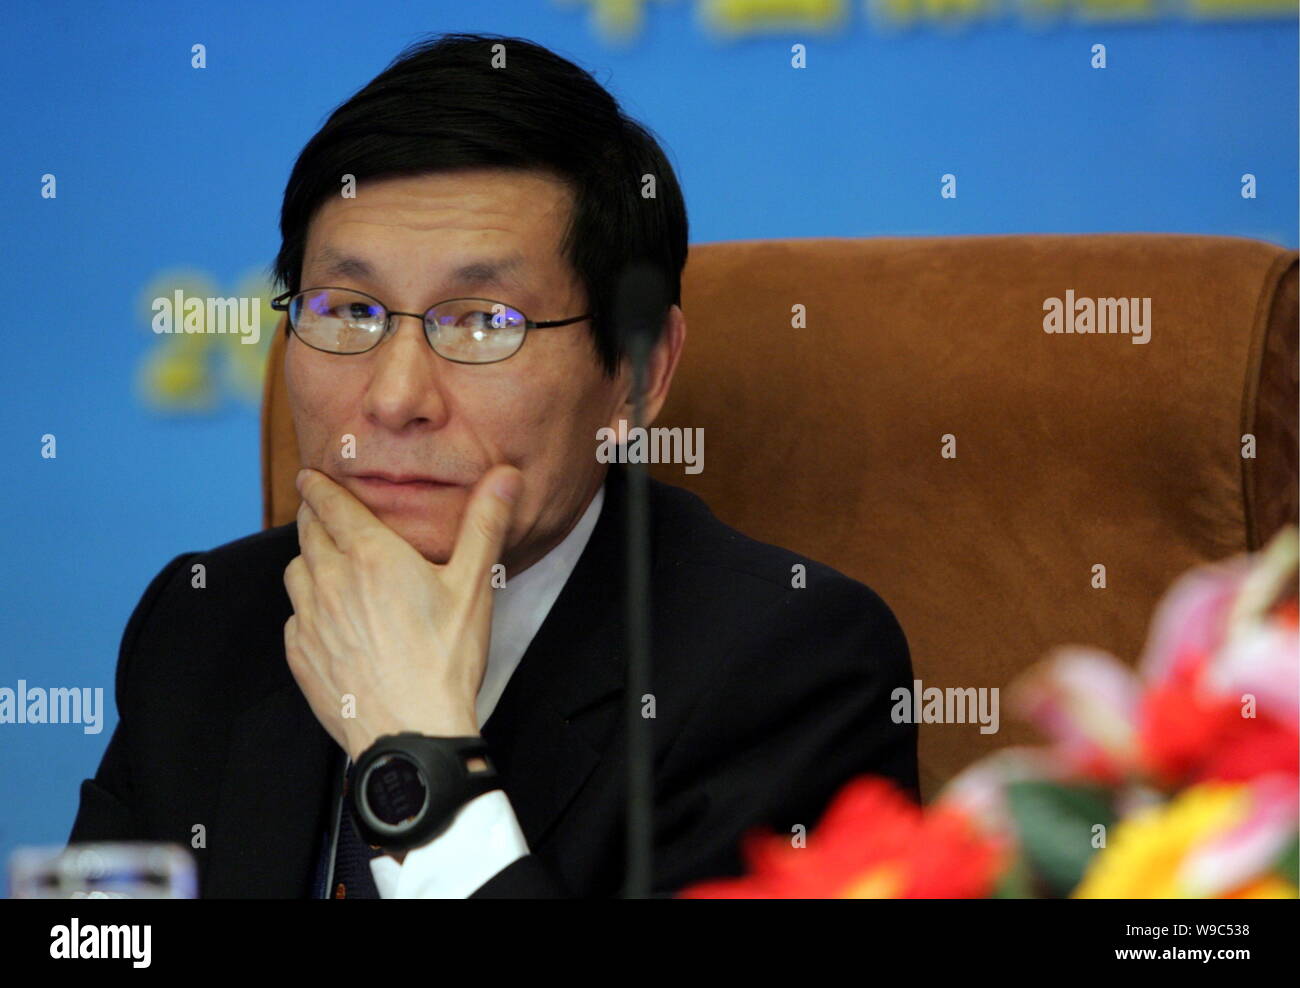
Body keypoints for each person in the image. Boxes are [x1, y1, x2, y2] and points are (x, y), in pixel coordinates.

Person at [68, 32, 916, 898]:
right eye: (349, 309)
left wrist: (412, 751)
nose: (396, 397)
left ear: (638, 370)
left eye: (482, 322)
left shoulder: (789, 670)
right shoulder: (206, 624)